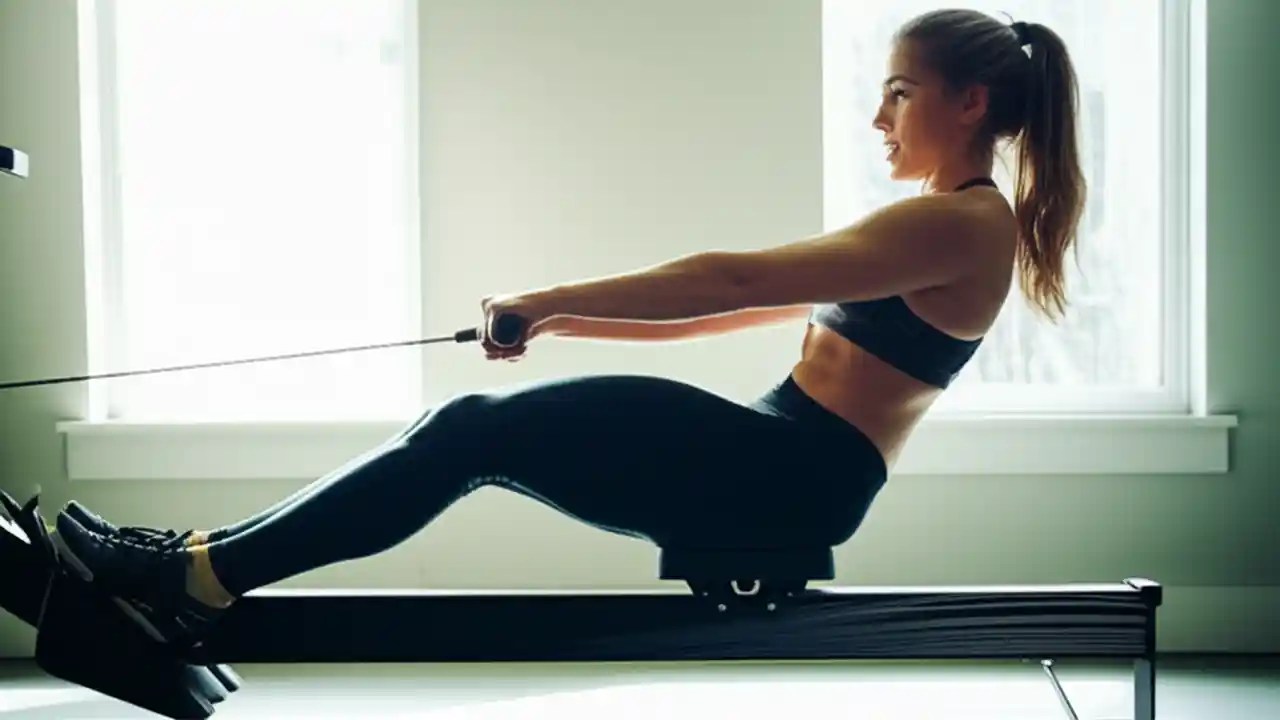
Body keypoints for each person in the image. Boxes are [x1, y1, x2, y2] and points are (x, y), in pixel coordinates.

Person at [52, 9, 1085, 654]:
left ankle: (193, 581)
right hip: (781, 455)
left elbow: (725, 277)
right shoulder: (941, 226)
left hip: (791, 472)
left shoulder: (952, 223)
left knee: (468, 432)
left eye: (896, 95)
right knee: (471, 428)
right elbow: (740, 306)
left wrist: (544, 297)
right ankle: (194, 561)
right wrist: (563, 320)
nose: (878, 120)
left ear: (967, 100)